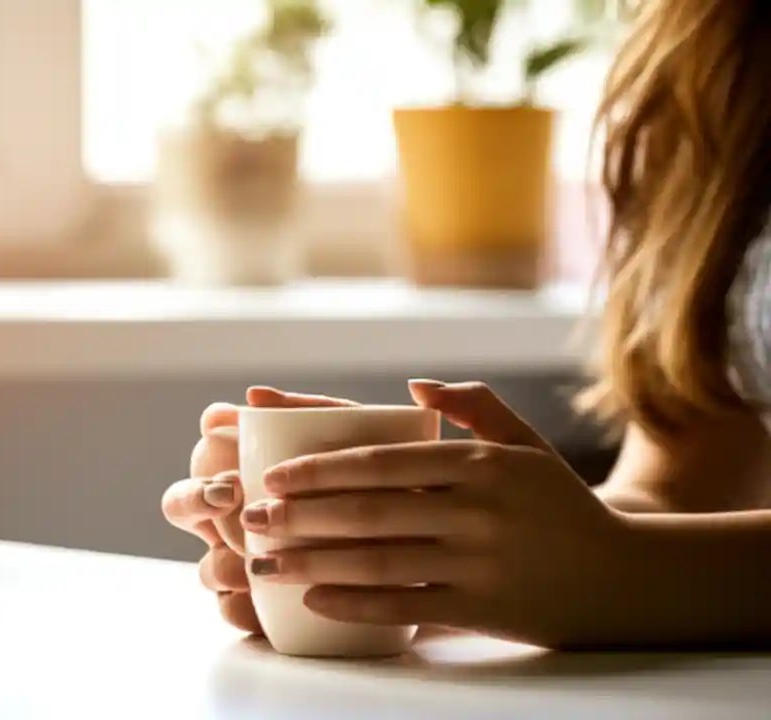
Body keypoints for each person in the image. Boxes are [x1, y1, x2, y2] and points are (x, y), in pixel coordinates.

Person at [162, 0, 771, 649]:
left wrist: (630, 573)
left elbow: (639, 563)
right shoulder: (711, 46)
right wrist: (426, 545)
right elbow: (683, 491)